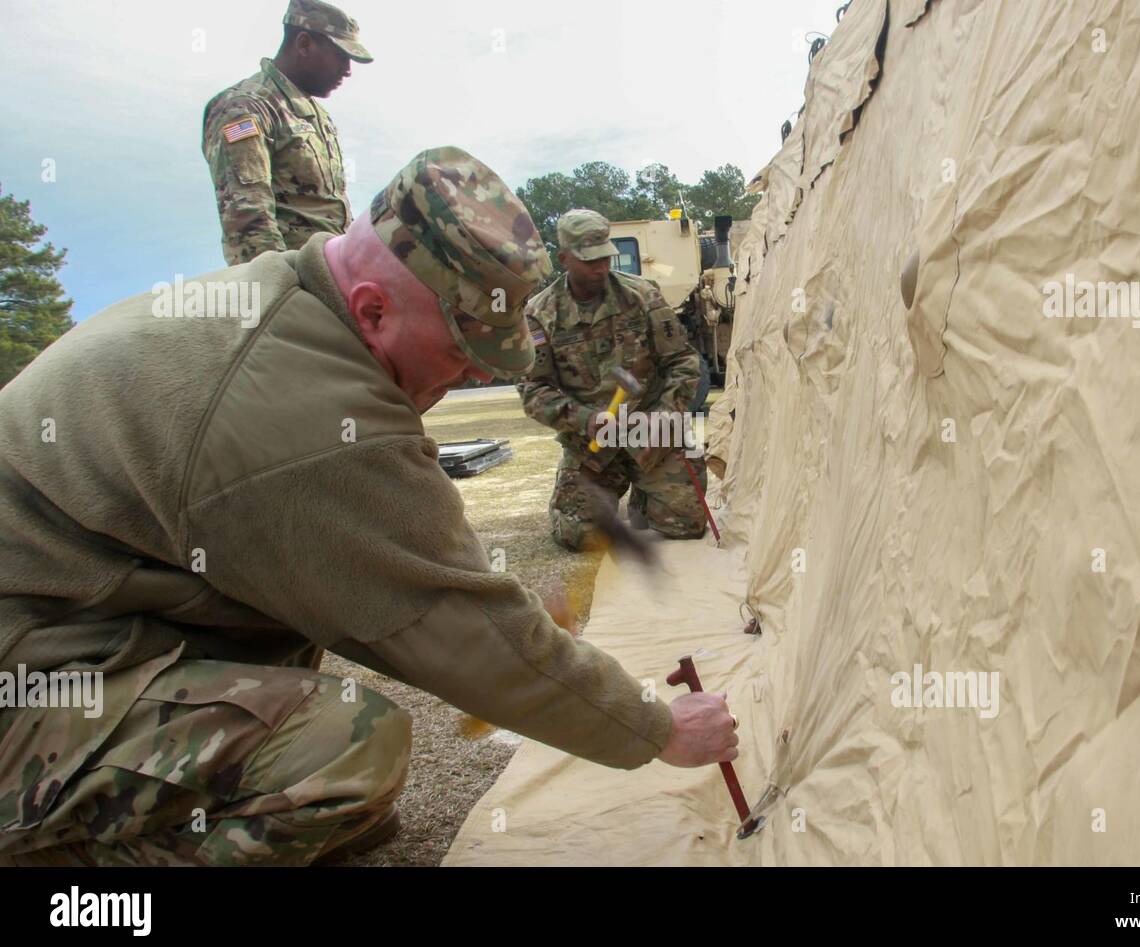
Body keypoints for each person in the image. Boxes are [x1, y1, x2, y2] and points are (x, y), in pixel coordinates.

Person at [0, 148, 738, 866]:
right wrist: (654, 728)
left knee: (298, 673)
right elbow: (451, 624)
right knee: (349, 740)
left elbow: (392, 559)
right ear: (373, 308)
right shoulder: (299, 413)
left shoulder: (294, 311)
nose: (472, 374)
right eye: (461, 352)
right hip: (28, 686)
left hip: (79, 623)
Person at [517, 209, 709, 550]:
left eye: (605, 258)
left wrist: (664, 417)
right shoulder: (539, 314)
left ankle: (646, 496)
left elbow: (683, 361)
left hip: (652, 434)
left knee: (686, 526)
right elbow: (533, 391)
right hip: (593, 445)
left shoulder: (642, 296)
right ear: (563, 258)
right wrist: (585, 419)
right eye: (590, 261)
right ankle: (615, 490)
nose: (601, 268)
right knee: (579, 536)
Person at [201, 0, 372, 265]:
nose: (348, 70)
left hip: (330, 273)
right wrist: (281, 288)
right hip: (293, 282)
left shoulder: (316, 114)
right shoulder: (245, 107)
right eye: (341, 56)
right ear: (304, 44)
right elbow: (247, 219)